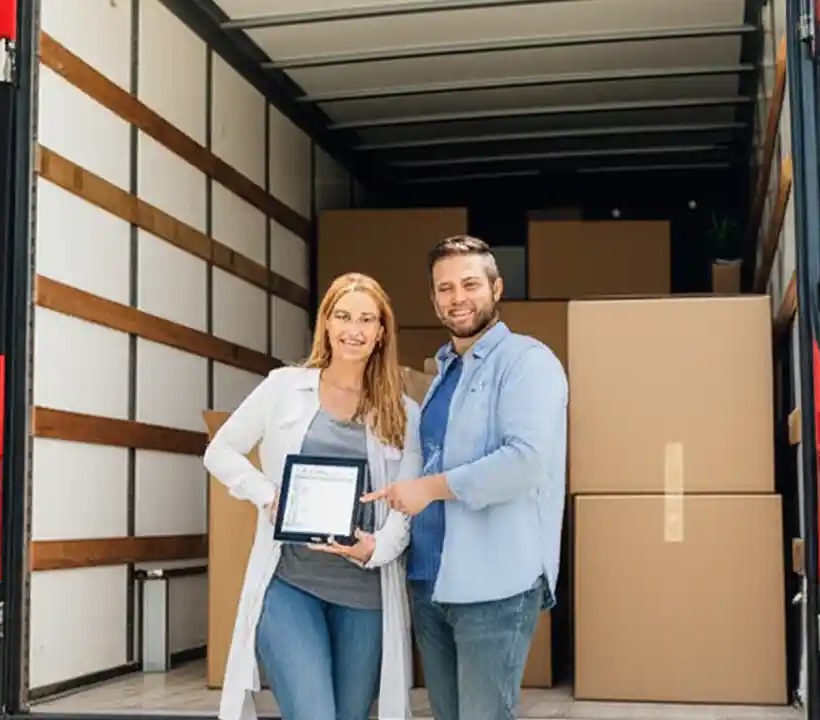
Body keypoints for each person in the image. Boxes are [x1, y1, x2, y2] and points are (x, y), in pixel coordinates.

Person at [363, 235, 568, 720]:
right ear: (434, 299)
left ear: (496, 289)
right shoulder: (444, 373)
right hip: (432, 579)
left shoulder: (526, 361)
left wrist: (428, 490)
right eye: (446, 288)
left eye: (471, 284)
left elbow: (526, 461)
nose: (458, 298)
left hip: (495, 585)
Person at [203, 272, 422, 720]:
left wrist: (375, 548)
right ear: (325, 323)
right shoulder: (284, 387)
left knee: (349, 715)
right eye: (343, 316)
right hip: (290, 582)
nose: (353, 330)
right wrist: (269, 497)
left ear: (381, 332)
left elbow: (407, 507)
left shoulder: (404, 413)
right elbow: (220, 451)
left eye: (366, 319)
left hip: (364, 594)